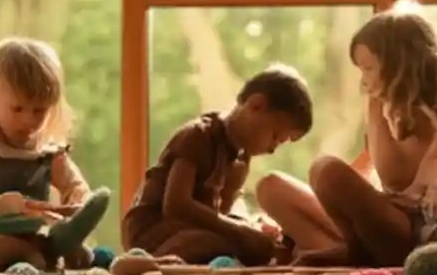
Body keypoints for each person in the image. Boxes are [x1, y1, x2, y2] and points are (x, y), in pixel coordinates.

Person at [261, 0, 437, 268]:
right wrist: (331, 200)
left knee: (326, 170)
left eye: (368, 69)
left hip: (418, 236)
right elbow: (367, 173)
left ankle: (345, 254)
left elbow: (392, 179)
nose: (363, 80)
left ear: (397, 67)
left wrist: (374, 105)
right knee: (272, 187)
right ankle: (336, 249)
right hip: (388, 221)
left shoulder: (421, 118)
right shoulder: (395, 114)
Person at [0, 37, 111, 270]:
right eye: (18, 108)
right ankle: (39, 263)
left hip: (32, 234)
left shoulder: (47, 152)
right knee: (27, 256)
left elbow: (77, 188)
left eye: (39, 111)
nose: (28, 120)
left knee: (79, 256)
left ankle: (59, 247)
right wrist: (16, 205)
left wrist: (73, 207)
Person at [122, 64, 313, 264]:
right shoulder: (197, 136)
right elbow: (176, 205)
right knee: (220, 242)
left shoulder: (240, 159)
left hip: (191, 230)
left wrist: (252, 225)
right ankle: (147, 263)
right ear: (256, 105)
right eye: (275, 137)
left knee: (262, 246)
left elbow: (222, 213)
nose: (273, 149)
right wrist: (239, 230)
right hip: (155, 230)